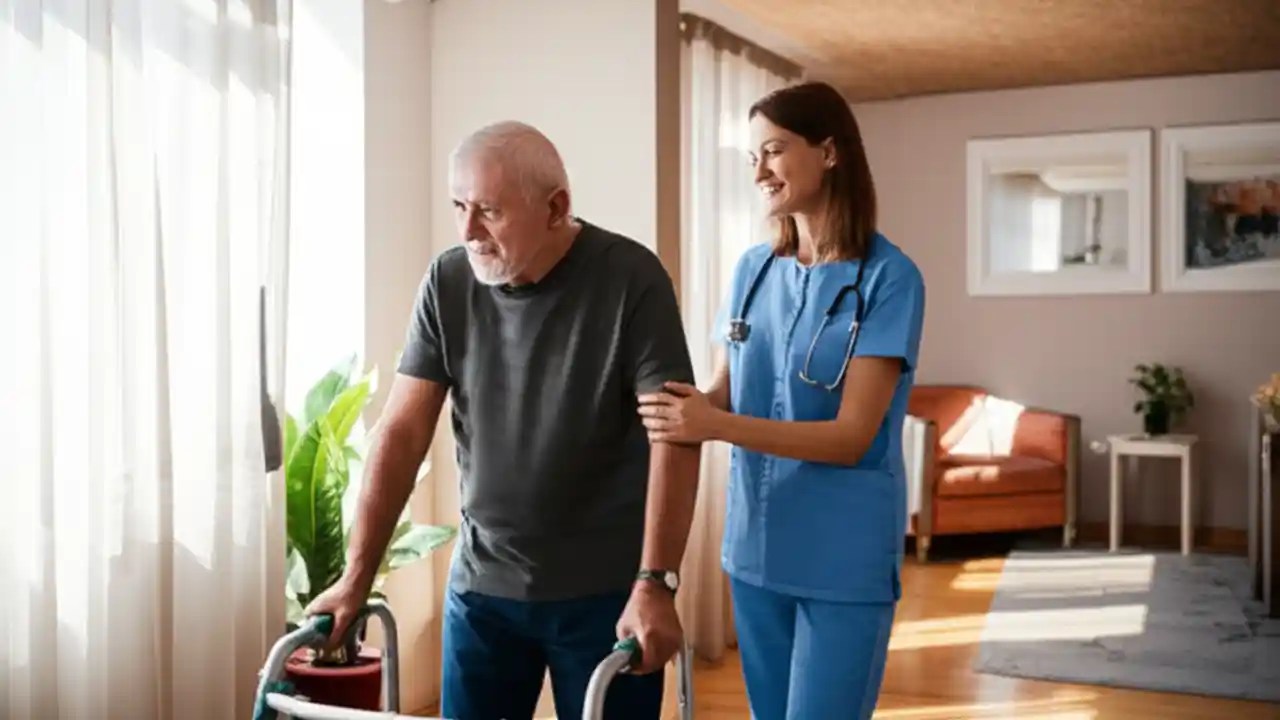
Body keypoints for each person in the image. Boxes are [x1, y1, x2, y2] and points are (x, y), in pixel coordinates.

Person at [305, 120, 702, 720]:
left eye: (488, 210)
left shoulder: (630, 279)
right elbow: (403, 429)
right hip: (484, 592)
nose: (467, 230)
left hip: (605, 597)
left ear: (556, 207)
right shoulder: (448, 280)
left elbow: (674, 435)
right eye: (459, 206)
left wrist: (656, 583)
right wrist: (357, 575)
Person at [637, 81, 926, 719]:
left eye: (774, 150)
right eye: (752, 159)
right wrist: (675, 406)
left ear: (828, 152)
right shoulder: (752, 270)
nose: (761, 171)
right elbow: (725, 389)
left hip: (842, 560)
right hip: (755, 552)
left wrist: (716, 423)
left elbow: (851, 437)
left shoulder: (889, 279)